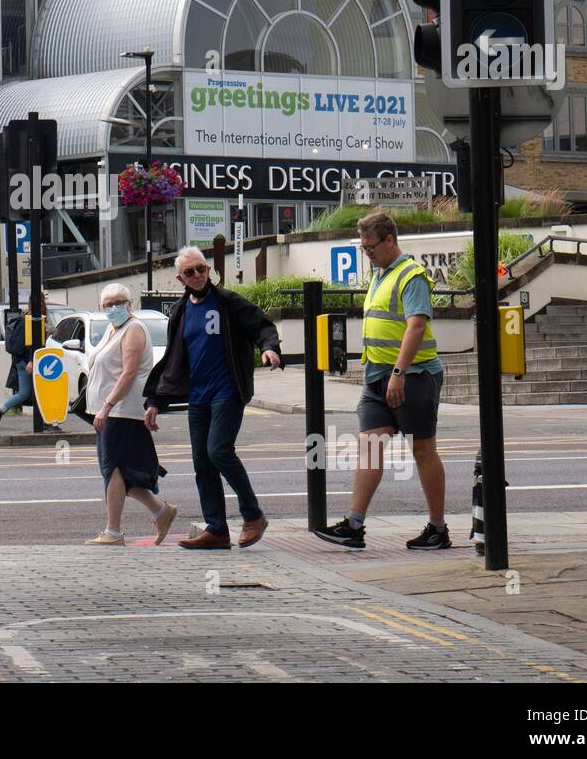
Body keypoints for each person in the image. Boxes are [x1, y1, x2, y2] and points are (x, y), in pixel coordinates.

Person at [315, 212, 450, 551]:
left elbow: (416, 326)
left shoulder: (411, 275)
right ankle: (354, 524)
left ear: (389, 239)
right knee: (370, 447)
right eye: (363, 248)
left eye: (370, 247)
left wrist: (399, 374)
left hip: (413, 377)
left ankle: (437, 528)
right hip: (377, 377)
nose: (367, 253)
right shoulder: (380, 274)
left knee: (422, 450)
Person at [144, 246, 282, 550]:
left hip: (228, 390)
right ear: (180, 278)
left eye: (201, 269)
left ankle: (253, 515)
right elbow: (174, 360)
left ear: (208, 270)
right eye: (190, 272)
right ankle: (217, 529)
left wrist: (270, 348)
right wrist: (155, 400)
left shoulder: (228, 302)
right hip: (199, 396)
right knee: (202, 462)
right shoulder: (180, 312)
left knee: (218, 450)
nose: (197, 276)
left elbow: (262, 326)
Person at [86, 284, 178, 546]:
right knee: (119, 473)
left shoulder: (134, 329)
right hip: (112, 412)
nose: (113, 307)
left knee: (113, 469)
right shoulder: (112, 329)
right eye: (108, 304)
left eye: (119, 301)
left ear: (130, 303)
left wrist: (106, 406)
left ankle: (113, 532)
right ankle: (161, 511)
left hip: (122, 411)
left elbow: (128, 373)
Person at [0, 306, 33, 431]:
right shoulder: (31, 321)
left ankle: (0, 411)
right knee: (33, 392)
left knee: (24, 393)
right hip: (28, 362)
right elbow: (31, 344)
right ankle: (46, 421)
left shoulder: (22, 319)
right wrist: (31, 360)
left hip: (19, 361)